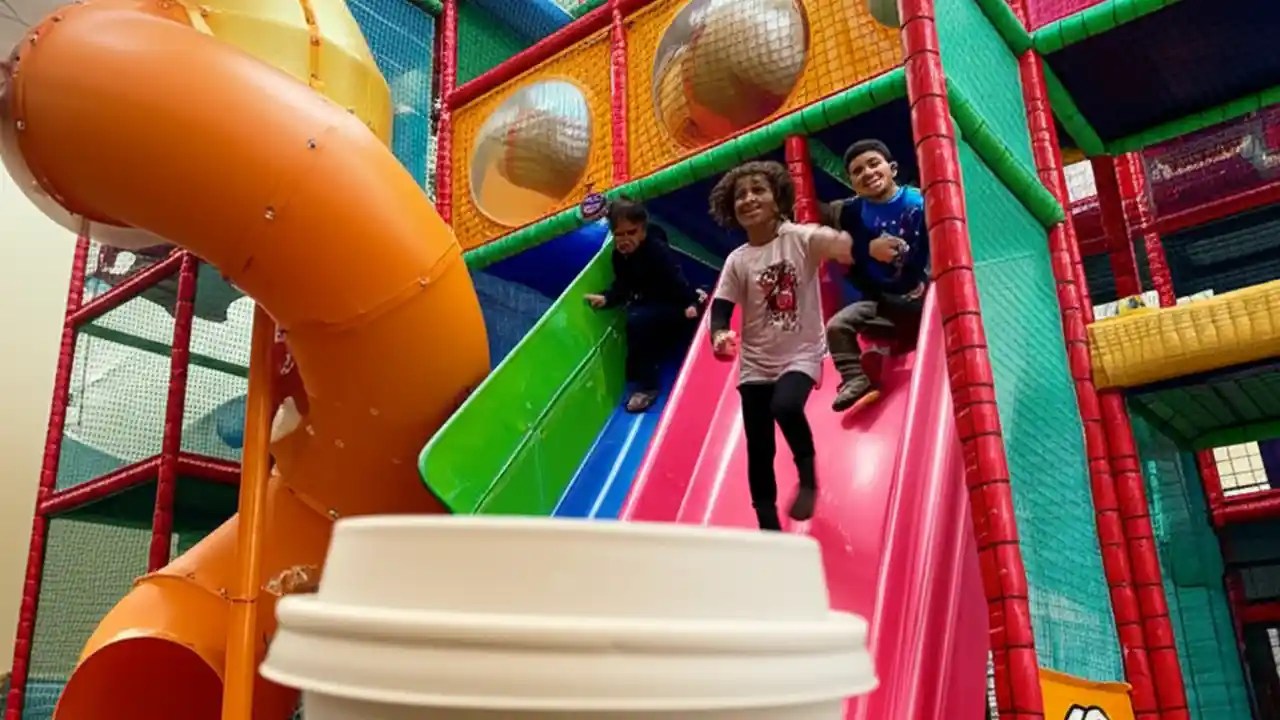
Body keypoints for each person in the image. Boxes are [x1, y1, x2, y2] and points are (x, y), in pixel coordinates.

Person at [705, 161, 854, 530]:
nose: (749, 198)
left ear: (777, 199)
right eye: (740, 195)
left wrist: (842, 244)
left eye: (758, 190)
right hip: (756, 362)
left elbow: (827, 240)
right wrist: (719, 335)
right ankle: (767, 522)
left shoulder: (798, 238)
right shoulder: (738, 260)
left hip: (801, 353)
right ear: (731, 209)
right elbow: (721, 309)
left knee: (785, 405)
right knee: (759, 447)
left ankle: (807, 477)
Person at [822, 139, 931, 412]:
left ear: (892, 168)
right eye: (858, 171)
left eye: (873, 164)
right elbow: (823, 222)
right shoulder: (851, 213)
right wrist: (869, 248)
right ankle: (855, 378)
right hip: (883, 303)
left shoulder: (918, 202)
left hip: (925, 300)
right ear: (852, 182)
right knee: (838, 326)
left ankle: (885, 353)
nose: (867, 173)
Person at [585, 198, 704, 413]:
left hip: (675, 303)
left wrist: (690, 302)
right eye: (619, 234)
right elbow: (623, 284)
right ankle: (640, 373)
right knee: (638, 319)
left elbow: (675, 276)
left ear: (642, 231)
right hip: (652, 304)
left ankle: (648, 386)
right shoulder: (619, 256)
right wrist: (608, 298)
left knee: (638, 321)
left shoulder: (656, 251)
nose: (624, 240)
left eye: (631, 233)